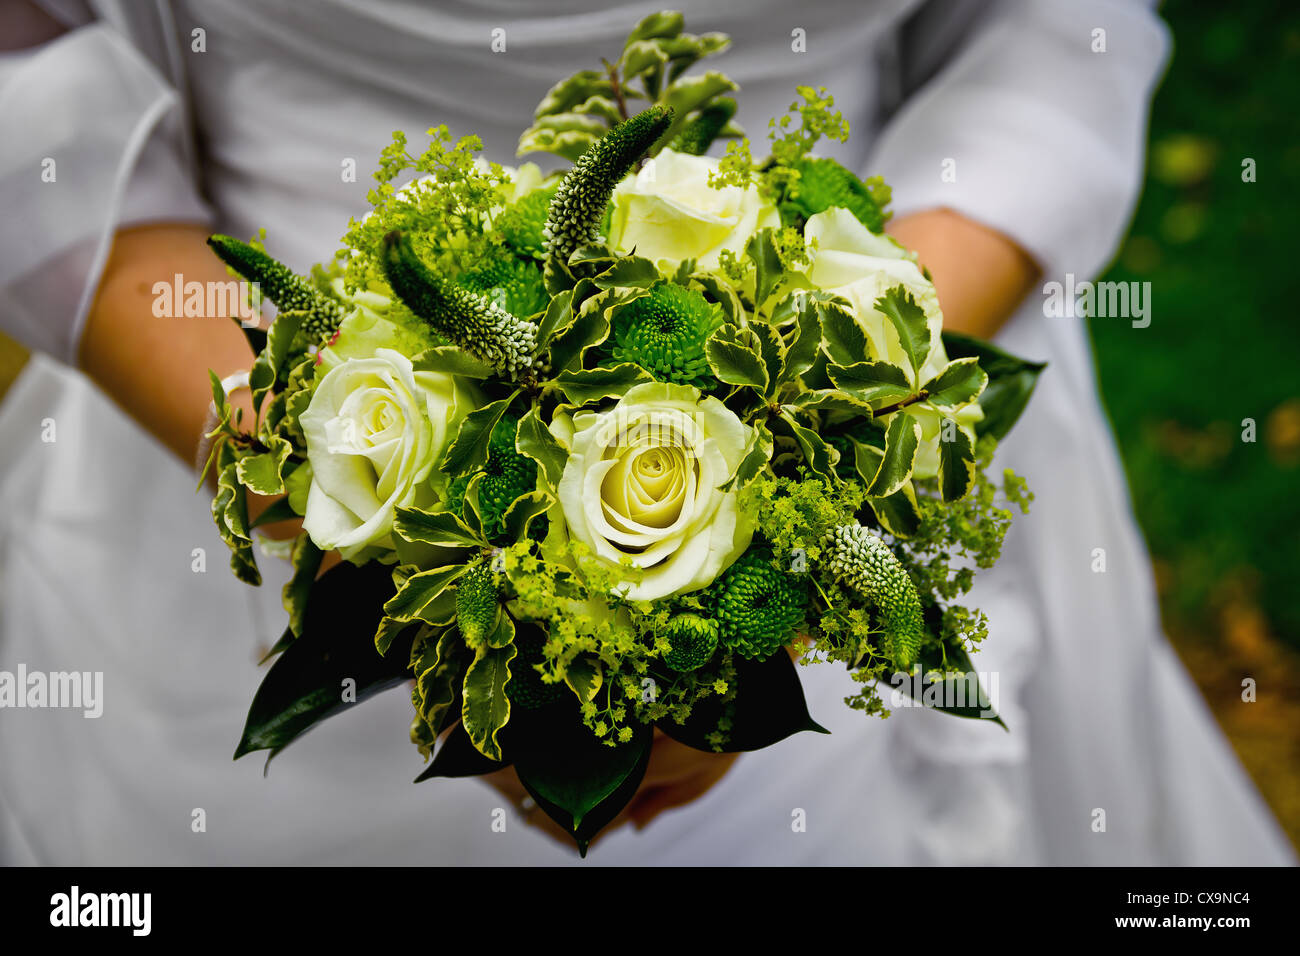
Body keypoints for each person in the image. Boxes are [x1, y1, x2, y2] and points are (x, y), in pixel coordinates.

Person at [0, 0, 1291, 864]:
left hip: (881, 307)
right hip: (220, 367)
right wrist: (352, 494)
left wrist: (822, 433)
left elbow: (1056, 25)